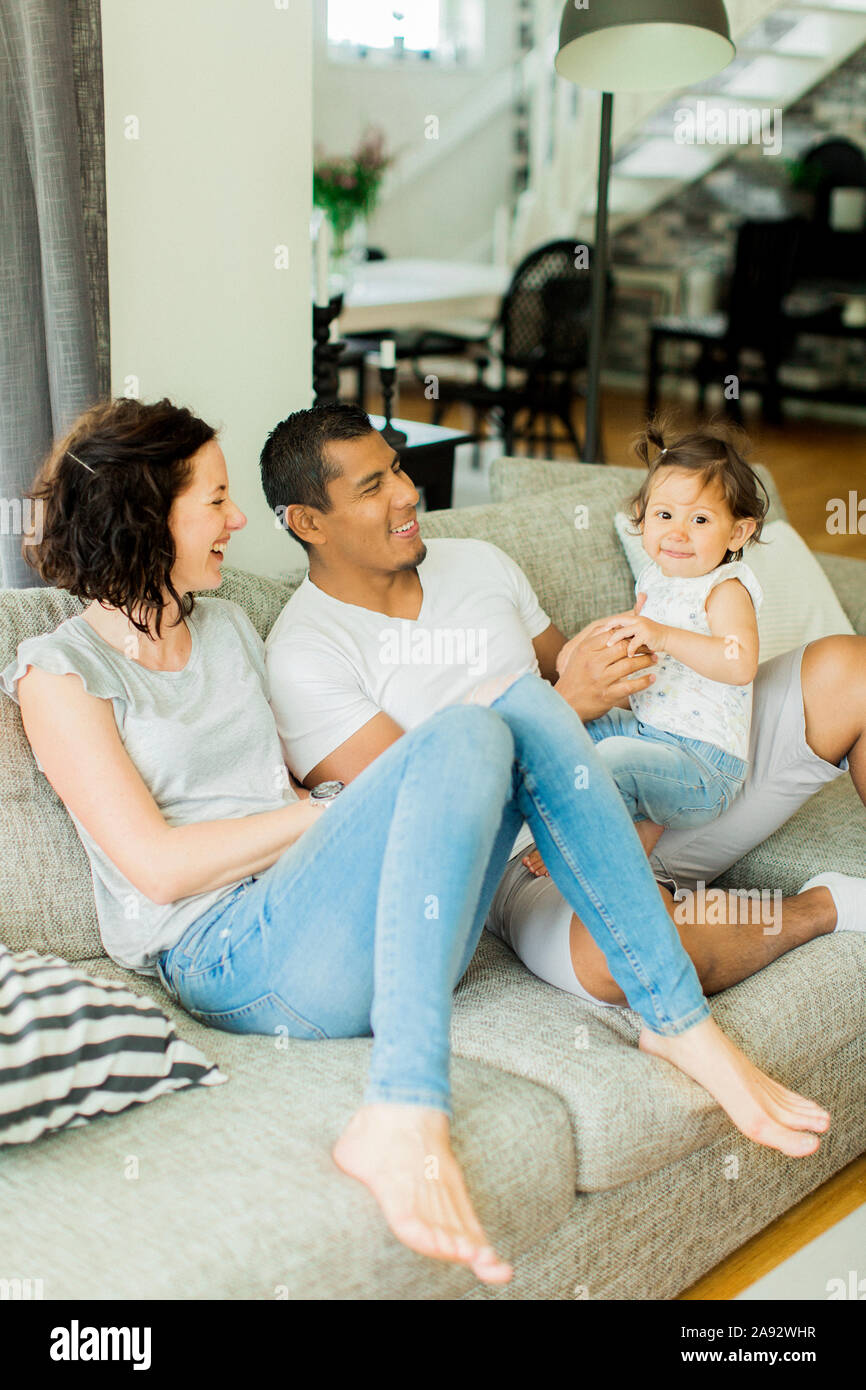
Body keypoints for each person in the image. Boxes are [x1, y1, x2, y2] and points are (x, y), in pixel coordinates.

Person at [1, 399, 831, 1290]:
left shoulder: (228, 627)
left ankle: (678, 1024)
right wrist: (331, 814)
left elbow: (283, 795)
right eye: (214, 499)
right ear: (144, 511)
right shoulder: (62, 671)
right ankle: (402, 1109)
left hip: (348, 915)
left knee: (508, 709)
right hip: (227, 955)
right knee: (479, 723)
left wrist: (332, 815)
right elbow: (156, 866)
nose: (238, 520)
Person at [260, 402, 866, 1025]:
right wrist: (564, 706)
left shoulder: (477, 561)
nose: (408, 493)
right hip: (523, 853)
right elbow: (416, 808)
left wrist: (618, 661)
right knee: (624, 960)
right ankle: (826, 906)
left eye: (397, 469)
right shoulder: (306, 656)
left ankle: (657, 882)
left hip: (658, 765)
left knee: (854, 672)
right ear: (309, 521)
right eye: (373, 487)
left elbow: (570, 664)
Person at [525, 419, 767, 878]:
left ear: (737, 534)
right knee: (568, 731)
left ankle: (580, 841)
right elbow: (640, 639)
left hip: (703, 765)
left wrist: (666, 636)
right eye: (664, 515)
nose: (677, 533)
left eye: (699, 520)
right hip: (647, 731)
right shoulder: (656, 578)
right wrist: (594, 643)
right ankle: (632, 837)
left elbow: (740, 665)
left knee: (614, 760)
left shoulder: (725, 588)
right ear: (643, 514)